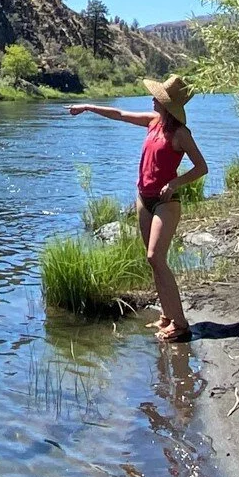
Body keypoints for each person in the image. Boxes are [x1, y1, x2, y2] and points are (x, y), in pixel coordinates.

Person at [70, 75, 208, 342]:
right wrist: (88, 107)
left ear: (167, 104)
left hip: (166, 203)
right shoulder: (153, 122)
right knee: (152, 261)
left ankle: (181, 324)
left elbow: (202, 167)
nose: (152, 99)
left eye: (157, 97)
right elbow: (120, 114)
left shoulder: (181, 134)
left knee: (156, 257)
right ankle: (167, 316)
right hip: (144, 199)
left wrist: (175, 183)